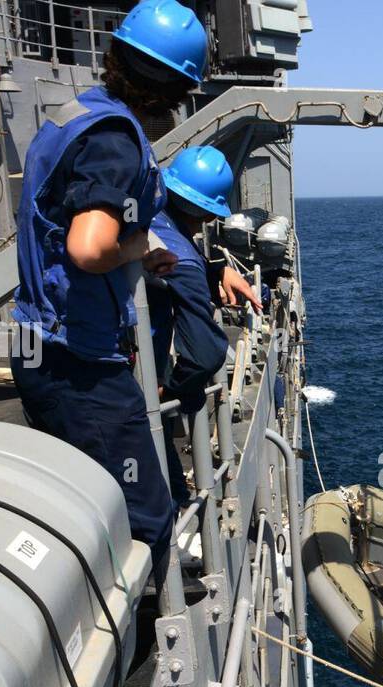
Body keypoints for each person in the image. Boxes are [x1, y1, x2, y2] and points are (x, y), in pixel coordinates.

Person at [11, 0, 207, 578]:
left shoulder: (78, 115)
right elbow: (88, 247)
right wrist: (138, 245)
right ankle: (150, 650)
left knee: (84, 497)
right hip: (80, 363)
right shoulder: (116, 140)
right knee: (148, 515)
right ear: (173, 91)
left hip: (39, 342)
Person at [144, 145, 260, 503]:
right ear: (210, 214)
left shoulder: (140, 222)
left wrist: (216, 271)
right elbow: (206, 355)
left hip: (82, 366)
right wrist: (172, 391)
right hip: (135, 386)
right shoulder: (184, 262)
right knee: (167, 497)